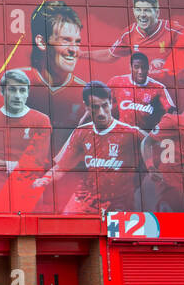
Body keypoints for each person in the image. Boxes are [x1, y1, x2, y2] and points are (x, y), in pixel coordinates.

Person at [34, 81, 148, 215]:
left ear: (111, 103)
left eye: (104, 106)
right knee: (65, 230)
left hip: (119, 205)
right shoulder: (81, 132)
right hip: (84, 201)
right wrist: (44, 179)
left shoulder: (132, 134)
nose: (101, 113)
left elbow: (155, 159)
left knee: (114, 235)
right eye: (95, 107)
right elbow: (61, 167)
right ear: (87, 107)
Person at [0, 68, 52, 212]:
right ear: (2, 92)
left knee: (26, 235)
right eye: (12, 90)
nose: (18, 96)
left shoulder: (41, 120)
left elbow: (36, 163)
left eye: (22, 90)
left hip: (27, 194)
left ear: (27, 93)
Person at [27, 0, 89, 155]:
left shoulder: (86, 94)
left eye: (77, 42)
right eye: (65, 40)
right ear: (42, 42)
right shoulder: (18, 85)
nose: (74, 50)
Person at [95, 0, 184, 87]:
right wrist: (82, 54)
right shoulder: (129, 33)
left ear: (157, 12)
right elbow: (109, 55)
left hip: (172, 91)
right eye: (138, 10)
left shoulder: (174, 30)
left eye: (147, 10)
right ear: (133, 11)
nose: (142, 14)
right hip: (143, 92)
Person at [107, 51, 175, 131]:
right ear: (130, 67)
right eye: (136, 67)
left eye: (143, 67)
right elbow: (100, 100)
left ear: (148, 68)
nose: (140, 71)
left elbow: (172, 112)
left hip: (145, 135)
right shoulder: (116, 82)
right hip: (122, 134)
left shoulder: (158, 88)